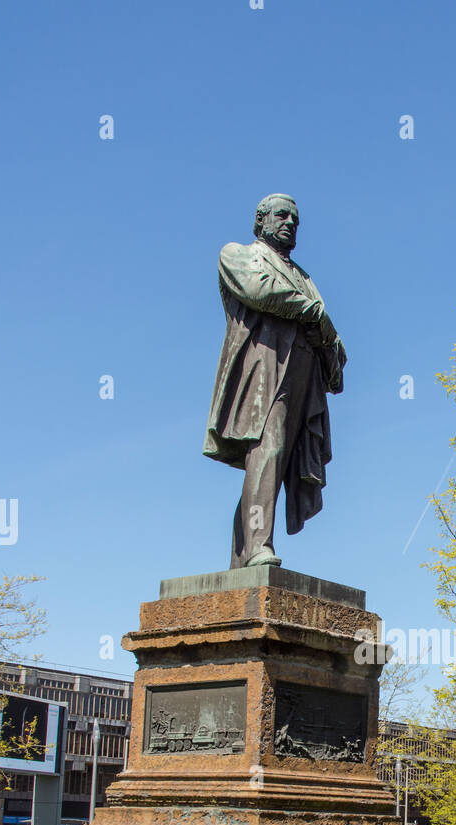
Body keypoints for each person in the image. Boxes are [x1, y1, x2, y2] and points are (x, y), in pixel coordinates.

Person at [204, 194, 346, 569]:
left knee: (277, 459)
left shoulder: (303, 276)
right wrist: (313, 312)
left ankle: (243, 557)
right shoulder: (239, 254)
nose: (289, 223)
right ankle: (257, 548)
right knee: (269, 448)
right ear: (261, 220)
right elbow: (258, 289)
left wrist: (324, 334)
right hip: (265, 366)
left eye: (295, 220)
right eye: (282, 216)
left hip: (304, 373)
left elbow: (333, 341)